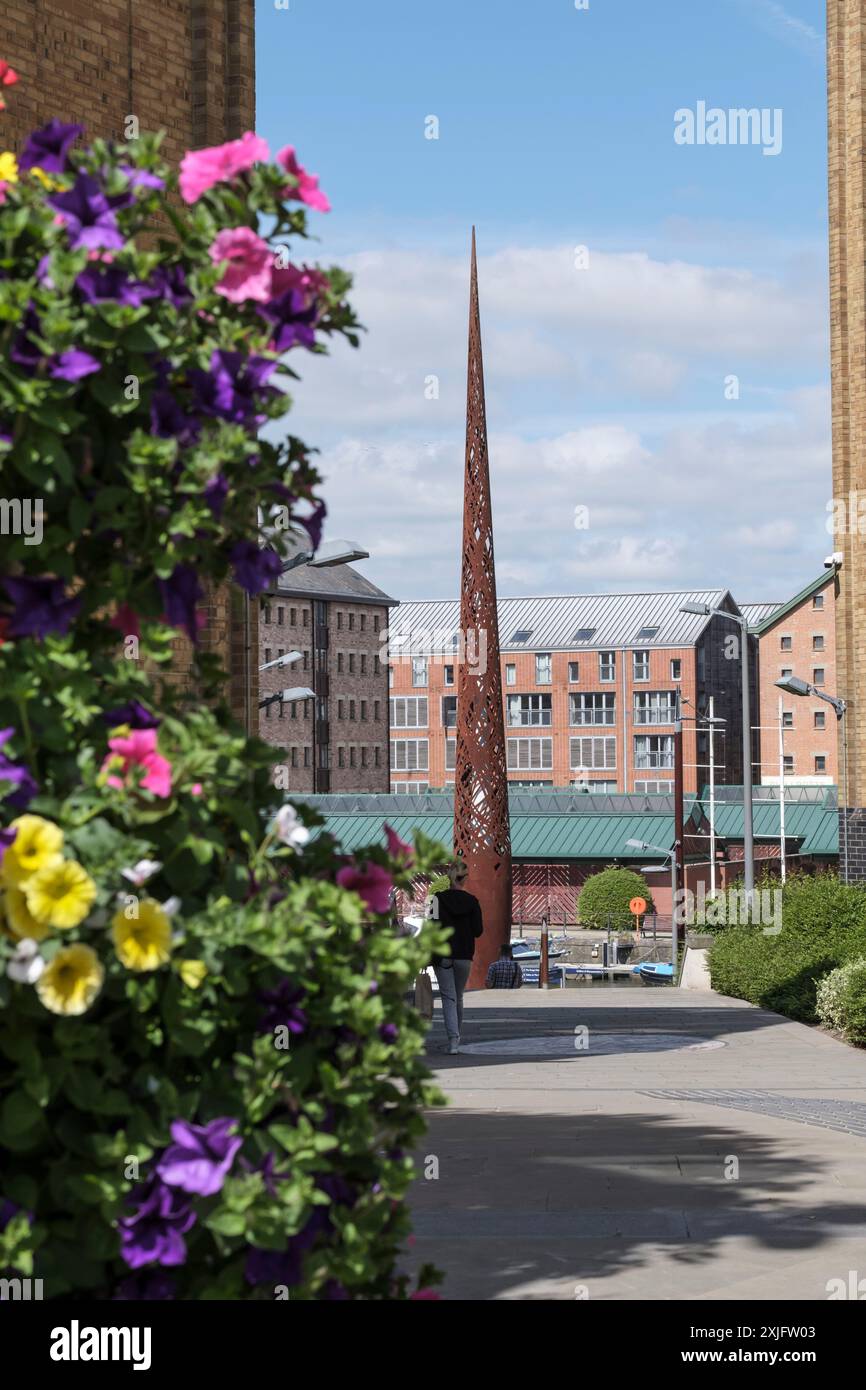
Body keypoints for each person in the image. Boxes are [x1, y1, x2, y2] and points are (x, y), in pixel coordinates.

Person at [431, 859, 483, 1054]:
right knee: (458, 996)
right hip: (464, 954)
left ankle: (453, 1040)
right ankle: (457, 1038)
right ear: (465, 878)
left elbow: (431, 927)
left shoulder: (436, 899)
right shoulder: (472, 901)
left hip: (443, 955)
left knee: (448, 997)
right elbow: (478, 931)